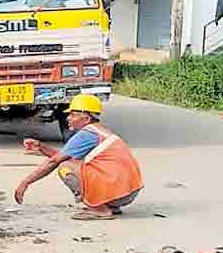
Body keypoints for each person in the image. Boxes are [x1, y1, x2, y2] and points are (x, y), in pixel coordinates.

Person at [14, 94, 143, 220]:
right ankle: (109, 205)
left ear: (86, 119)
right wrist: (41, 147)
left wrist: (25, 183)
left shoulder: (86, 135)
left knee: (65, 168)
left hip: (120, 192)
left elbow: (55, 161)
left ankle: (100, 210)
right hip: (128, 192)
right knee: (72, 164)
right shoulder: (98, 131)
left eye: (73, 115)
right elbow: (67, 157)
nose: (68, 118)